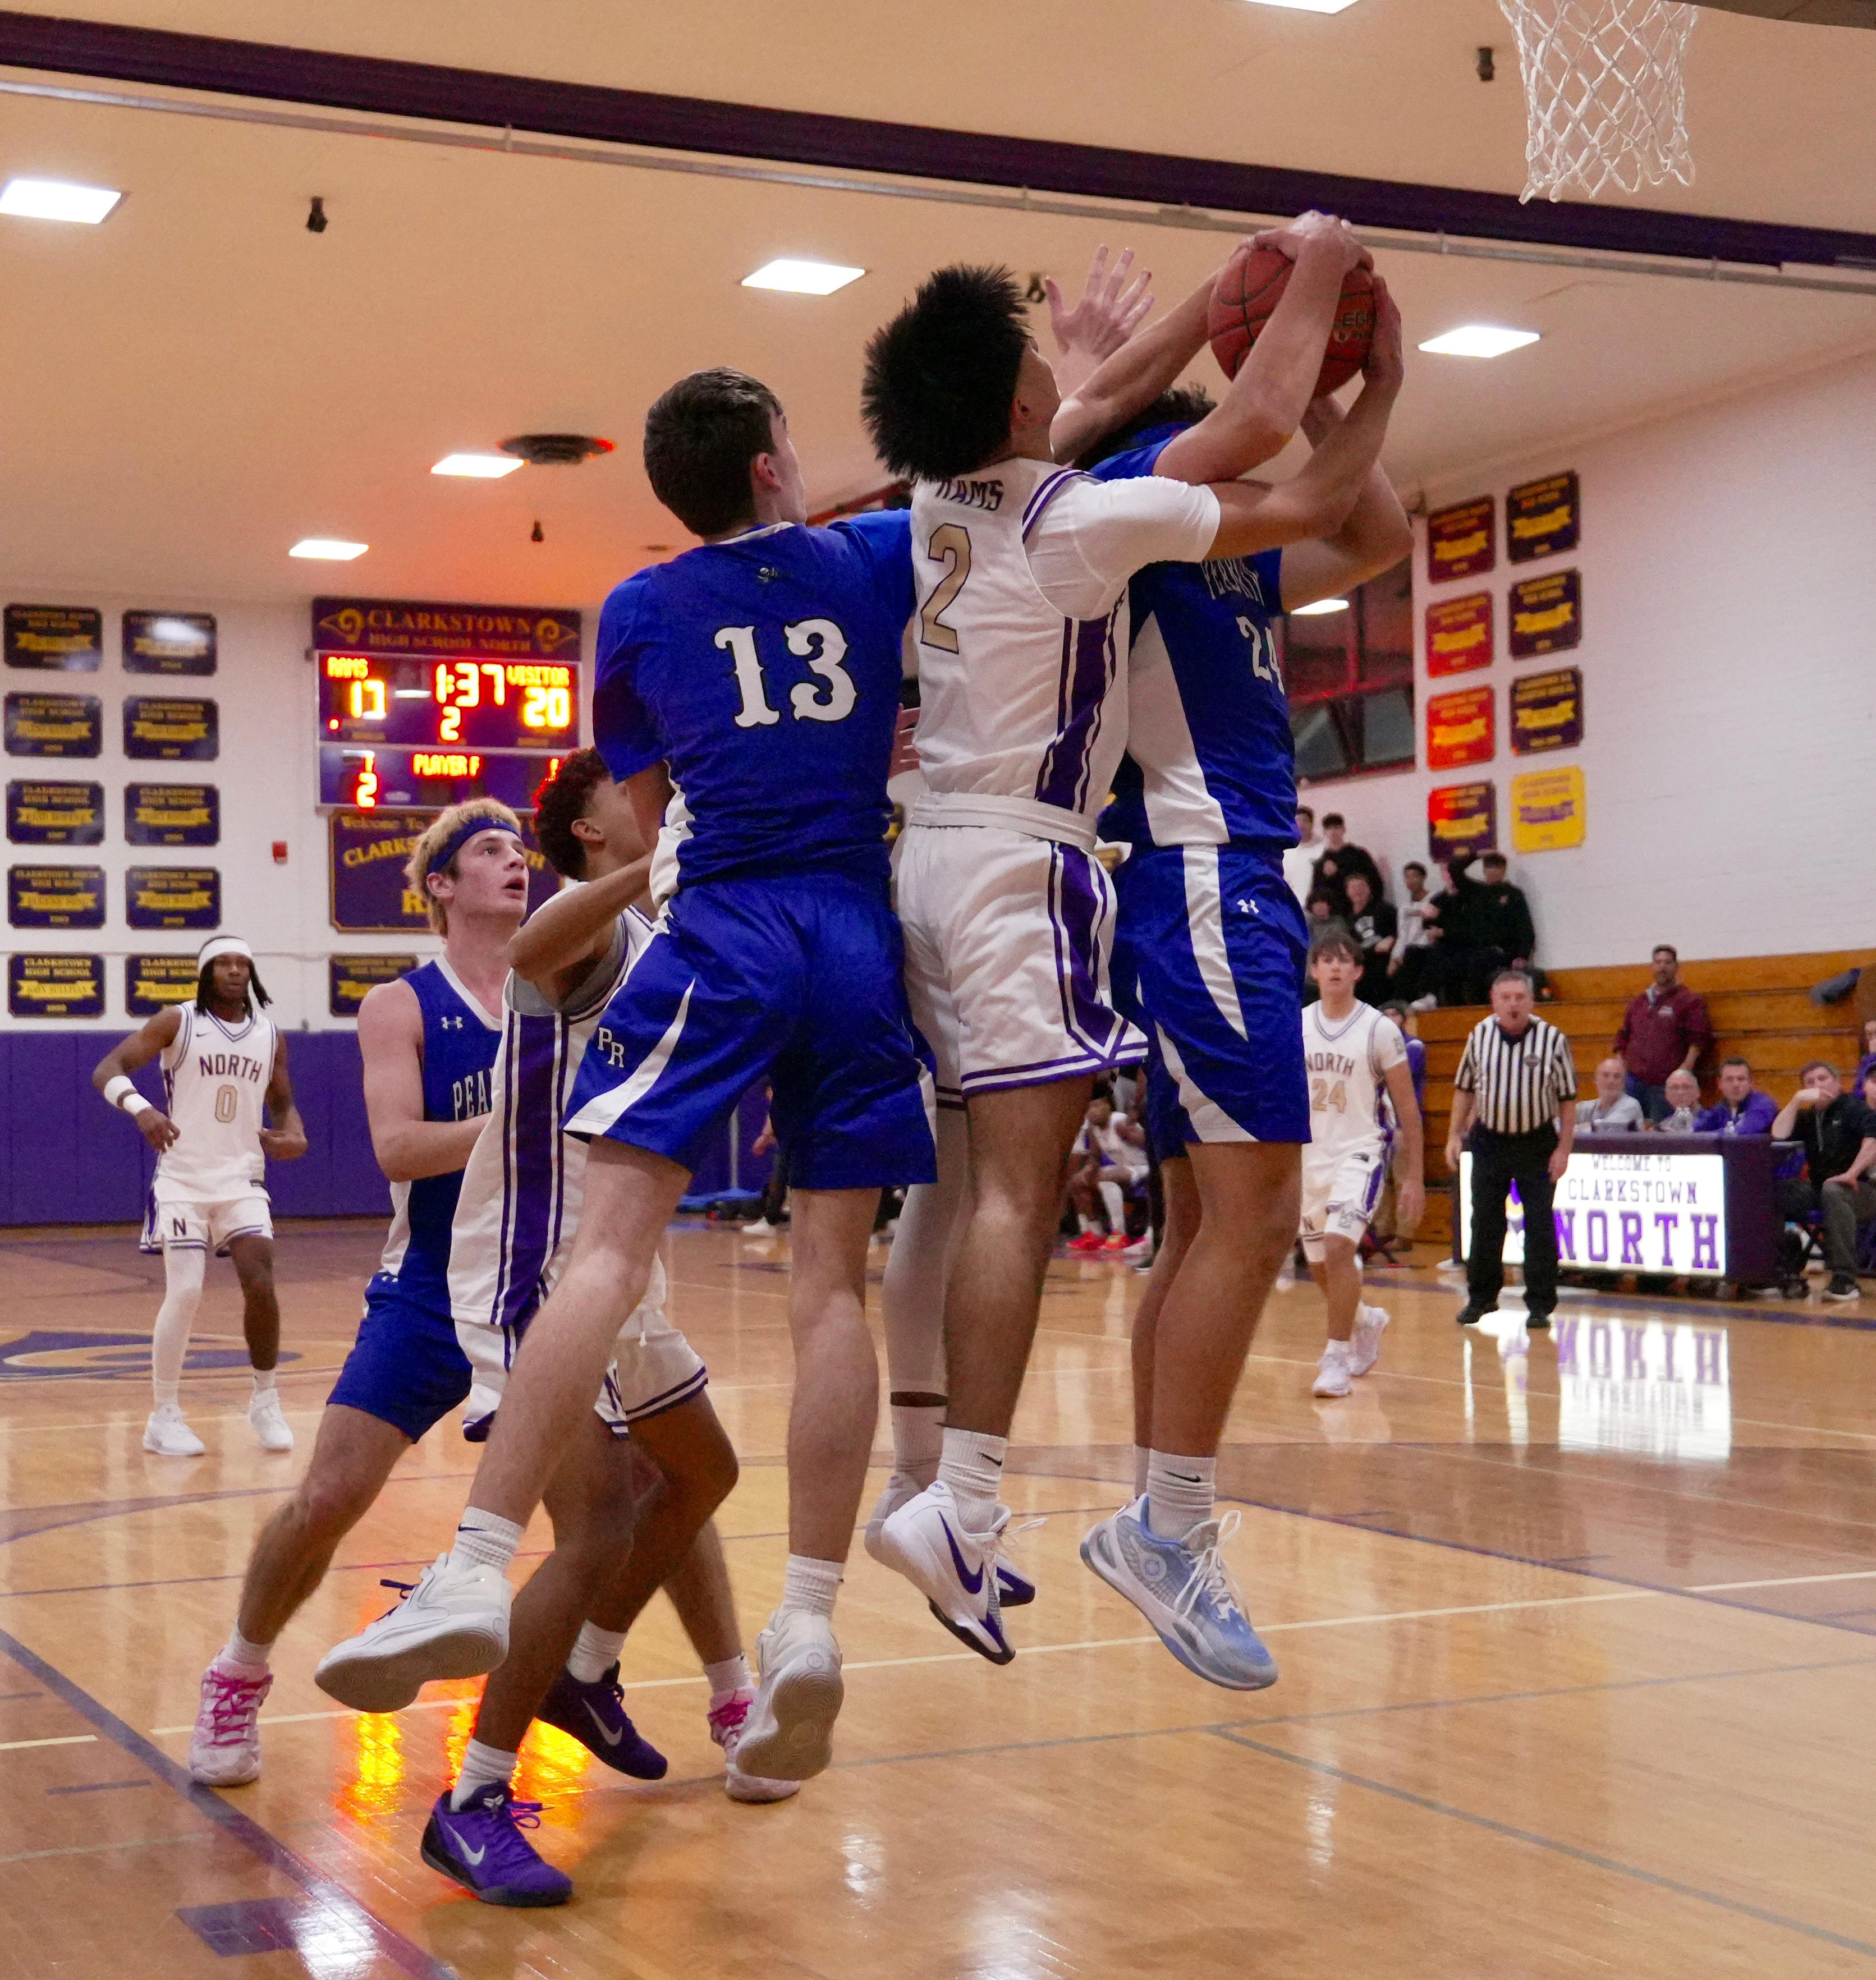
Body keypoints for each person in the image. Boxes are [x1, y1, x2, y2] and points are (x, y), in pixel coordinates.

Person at [315, 369, 938, 1784]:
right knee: (831, 1281)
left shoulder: (642, 609)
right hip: (853, 921)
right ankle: (808, 1621)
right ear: (779, 461)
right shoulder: (877, 549)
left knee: (606, 1245)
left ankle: (478, 1561)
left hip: (726, 915)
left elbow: (658, 809)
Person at [860, 226, 1401, 1682]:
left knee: (1194, 1221)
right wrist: (1316, 293)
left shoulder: (1209, 553)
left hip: (1175, 873)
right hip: (1190, 865)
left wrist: (1361, 376)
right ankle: (1145, 1518)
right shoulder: (1112, 528)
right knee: (1244, 1208)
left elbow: (1359, 523)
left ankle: (1118, 1515)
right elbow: (1255, 431)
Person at [342, 755, 786, 1907]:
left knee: (705, 1472)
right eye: (642, 789)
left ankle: (585, 1669)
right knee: (588, 1531)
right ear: (591, 827)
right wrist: (662, 859)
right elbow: (536, 953)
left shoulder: (668, 931)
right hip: (539, 1264)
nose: (667, 791)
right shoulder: (574, 928)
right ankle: (474, 1799)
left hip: (623, 1270)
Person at [182, 803, 521, 1786]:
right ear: (442, 887)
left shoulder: (556, 993)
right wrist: (523, 1120)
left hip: (535, 1288)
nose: (514, 864)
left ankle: (718, 1687)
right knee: (329, 1493)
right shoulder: (403, 1003)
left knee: (635, 1493)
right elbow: (399, 1148)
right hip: (426, 1291)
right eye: (488, 852)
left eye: (518, 850)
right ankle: (238, 1669)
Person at [93, 938, 306, 1456]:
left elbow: (283, 1103)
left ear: (252, 973)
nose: (233, 971)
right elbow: (108, 1069)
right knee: (186, 1292)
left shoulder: (270, 1034)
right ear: (206, 972)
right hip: (183, 1179)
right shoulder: (178, 1022)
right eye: (223, 963)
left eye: (242, 964)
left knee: (261, 1280)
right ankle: (164, 1415)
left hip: (242, 1178)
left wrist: (294, 1133)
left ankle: (265, 1398)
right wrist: (142, 1109)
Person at [1299, 931, 1423, 1399]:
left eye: (1342, 960)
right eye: (1325, 960)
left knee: (1337, 1245)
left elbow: (1407, 1109)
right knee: (1318, 1267)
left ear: (1357, 971)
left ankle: (1335, 1355)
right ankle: (1365, 1319)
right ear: (1313, 971)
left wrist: (1412, 1176)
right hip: (1309, 1156)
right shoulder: (1298, 1024)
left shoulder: (1378, 1029)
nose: (1333, 967)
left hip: (1361, 1150)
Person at [1447, 968, 1578, 1330]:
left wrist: (1564, 1149)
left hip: (1537, 1142)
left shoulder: (1553, 1038)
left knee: (1540, 1225)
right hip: (1489, 1140)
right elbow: (1464, 1089)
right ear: (1494, 1001)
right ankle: (1481, 1299)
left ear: (1531, 1001)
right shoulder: (1480, 1035)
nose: (1513, 1004)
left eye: (1520, 997)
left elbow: (1568, 1100)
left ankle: (1539, 1304)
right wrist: (1454, 1135)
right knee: (1485, 1222)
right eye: (1506, 998)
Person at [1771, 1062, 1876, 1302]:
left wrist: (1852, 1172)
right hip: (1823, 1188)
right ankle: (1781, 1266)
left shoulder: (1852, 1108)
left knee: (1834, 1190)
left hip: (1863, 1189)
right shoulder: (1808, 1117)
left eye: (1823, 1079)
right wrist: (1796, 1101)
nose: (1818, 1086)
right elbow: (1779, 1134)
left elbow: (1874, 1136)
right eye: (1810, 1083)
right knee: (1778, 1190)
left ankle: (1845, 1279)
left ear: (1838, 1083)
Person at [1613, 945, 1713, 1123]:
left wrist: (1683, 1072)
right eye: (1658, 962)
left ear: (1676, 966)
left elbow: (1698, 1040)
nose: (1662, 967)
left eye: (1667, 963)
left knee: (1663, 1134)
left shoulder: (1689, 1001)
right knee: (1630, 1136)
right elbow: (1622, 1038)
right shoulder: (1639, 1003)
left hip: (1665, 1085)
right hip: (1634, 1083)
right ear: (1652, 966)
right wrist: (1622, 1070)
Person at [1066, 1093, 1150, 1253]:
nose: (1093, 1111)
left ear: (1108, 1106)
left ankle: (1120, 1233)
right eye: (1089, 1108)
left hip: (1145, 1168)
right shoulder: (1093, 1129)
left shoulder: (1119, 1123)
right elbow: (1095, 1158)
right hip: (1123, 1170)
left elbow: (1149, 1148)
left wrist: (1132, 1132)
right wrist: (1086, 1171)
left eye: (1097, 1106)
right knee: (1077, 1182)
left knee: (1105, 1176)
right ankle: (1096, 1233)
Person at [1465, 853, 1536, 1004]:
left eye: (1497, 868)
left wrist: (1522, 955)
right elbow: (1456, 870)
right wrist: (1476, 855)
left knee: (1482, 962)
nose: (1493, 872)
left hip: (1506, 952)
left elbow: (1525, 928)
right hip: (1481, 950)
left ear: (1504, 870)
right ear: (1484, 871)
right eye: (1489, 868)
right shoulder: (1477, 894)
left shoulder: (1514, 894)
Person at [1310, 814, 1384, 920]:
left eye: (1337, 827)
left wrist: (1375, 908)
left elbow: (1376, 881)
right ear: (1325, 833)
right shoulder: (1322, 862)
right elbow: (1317, 892)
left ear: (1344, 830)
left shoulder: (1359, 854)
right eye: (1329, 828)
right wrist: (1326, 876)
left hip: (1363, 912)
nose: (1333, 832)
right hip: (1336, 916)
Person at [1342, 870, 1397, 1004]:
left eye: (1361, 887)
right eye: (1353, 888)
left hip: (1383, 965)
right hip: (1360, 967)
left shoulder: (1384, 909)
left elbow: (1398, 934)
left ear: (1369, 889)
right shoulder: (1347, 919)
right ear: (1347, 891)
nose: (1357, 891)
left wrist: (1392, 941)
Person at [1390, 861, 1439, 1008]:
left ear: (1423, 878)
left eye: (1415, 876)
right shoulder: (1404, 907)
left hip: (1427, 949)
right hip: (1409, 950)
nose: (1411, 881)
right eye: (1407, 877)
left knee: (1413, 955)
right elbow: (1402, 936)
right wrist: (1394, 957)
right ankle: (1399, 1008)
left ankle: (1426, 999)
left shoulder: (1435, 900)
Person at [1695, 1056, 1778, 1136]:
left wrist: (1704, 1136)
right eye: (1730, 1079)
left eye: (1741, 1079)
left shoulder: (1762, 1105)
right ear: (1720, 1084)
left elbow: (1742, 1132)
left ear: (1751, 1082)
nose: (1736, 1085)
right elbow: (1696, 1130)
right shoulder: (1721, 1108)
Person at [1576, 1056, 1644, 1133]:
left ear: (1624, 1083)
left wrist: (1575, 1128)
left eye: (1617, 1077)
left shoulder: (1631, 1105)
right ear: (1596, 1080)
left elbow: (1606, 1129)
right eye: (1606, 1075)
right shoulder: (1586, 1107)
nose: (1611, 1081)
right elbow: (1562, 1124)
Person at [1281, 805, 1320, 908]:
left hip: (1316, 909)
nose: (1301, 825)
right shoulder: (1285, 851)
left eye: (1305, 821)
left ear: (1312, 824)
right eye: (1297, 820)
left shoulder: (1323, 849)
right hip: (1291, 907)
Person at [1654, 1068, 1702, 1134]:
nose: (1681, 1092)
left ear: (1698, 1092)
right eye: (1675, 1088)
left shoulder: (1712, 1121)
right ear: (1666, 1095)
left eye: (1686, 1087)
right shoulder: (1663, 1127)